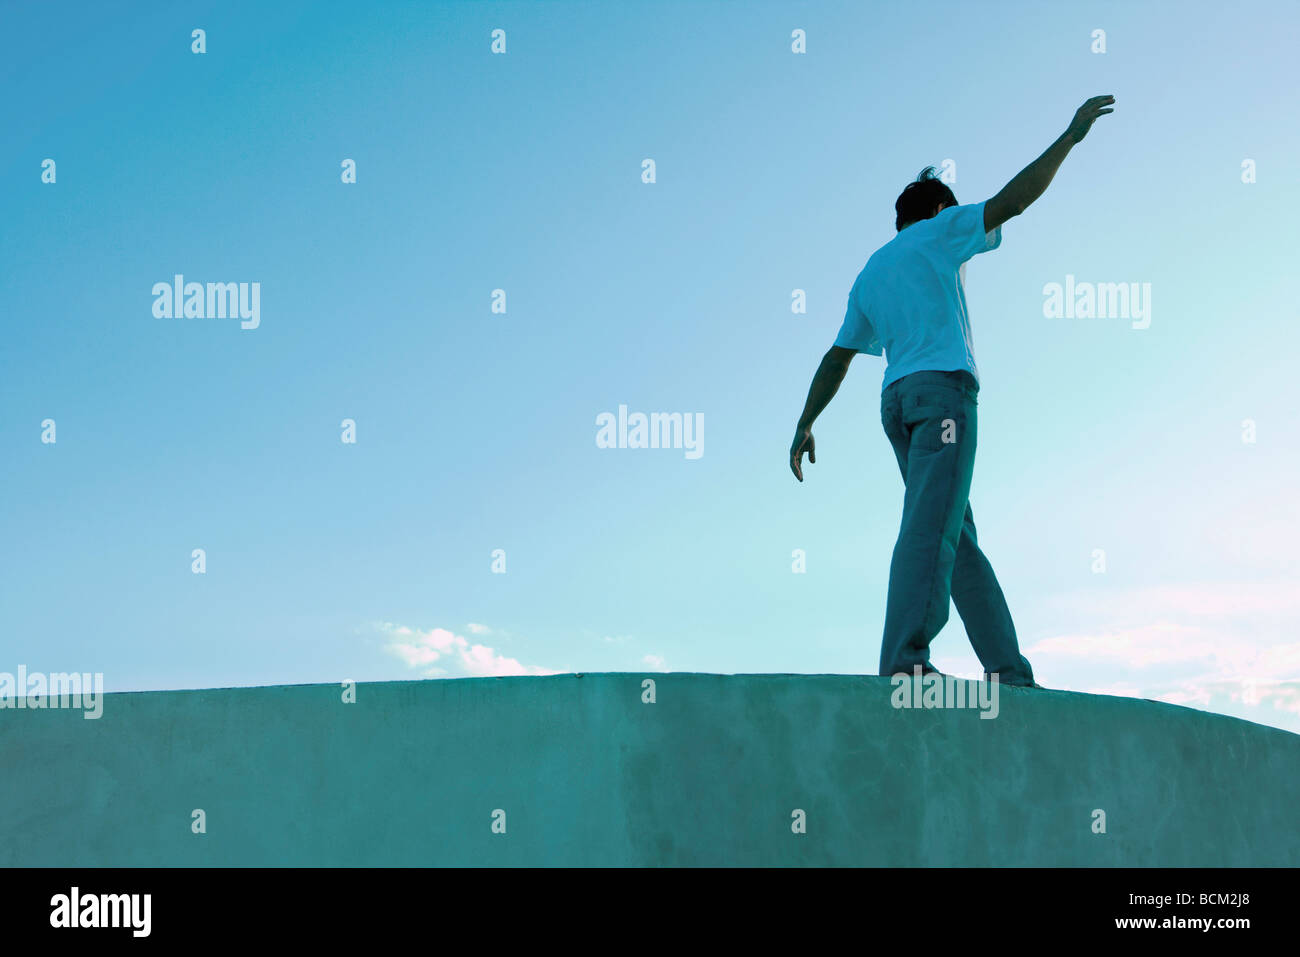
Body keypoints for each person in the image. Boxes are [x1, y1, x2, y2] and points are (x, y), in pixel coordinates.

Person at [789, 95, 1116, 687]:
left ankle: (1008, 672)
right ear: (939, 208)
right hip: (943, 396)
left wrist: (805, 421)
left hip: (898, 405)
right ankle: (904, 662)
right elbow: (1013, 201)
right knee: (929, 529)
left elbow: (838, 356)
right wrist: (1069, 138)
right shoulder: (942, 230)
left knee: (954, 536)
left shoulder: (871, 270)